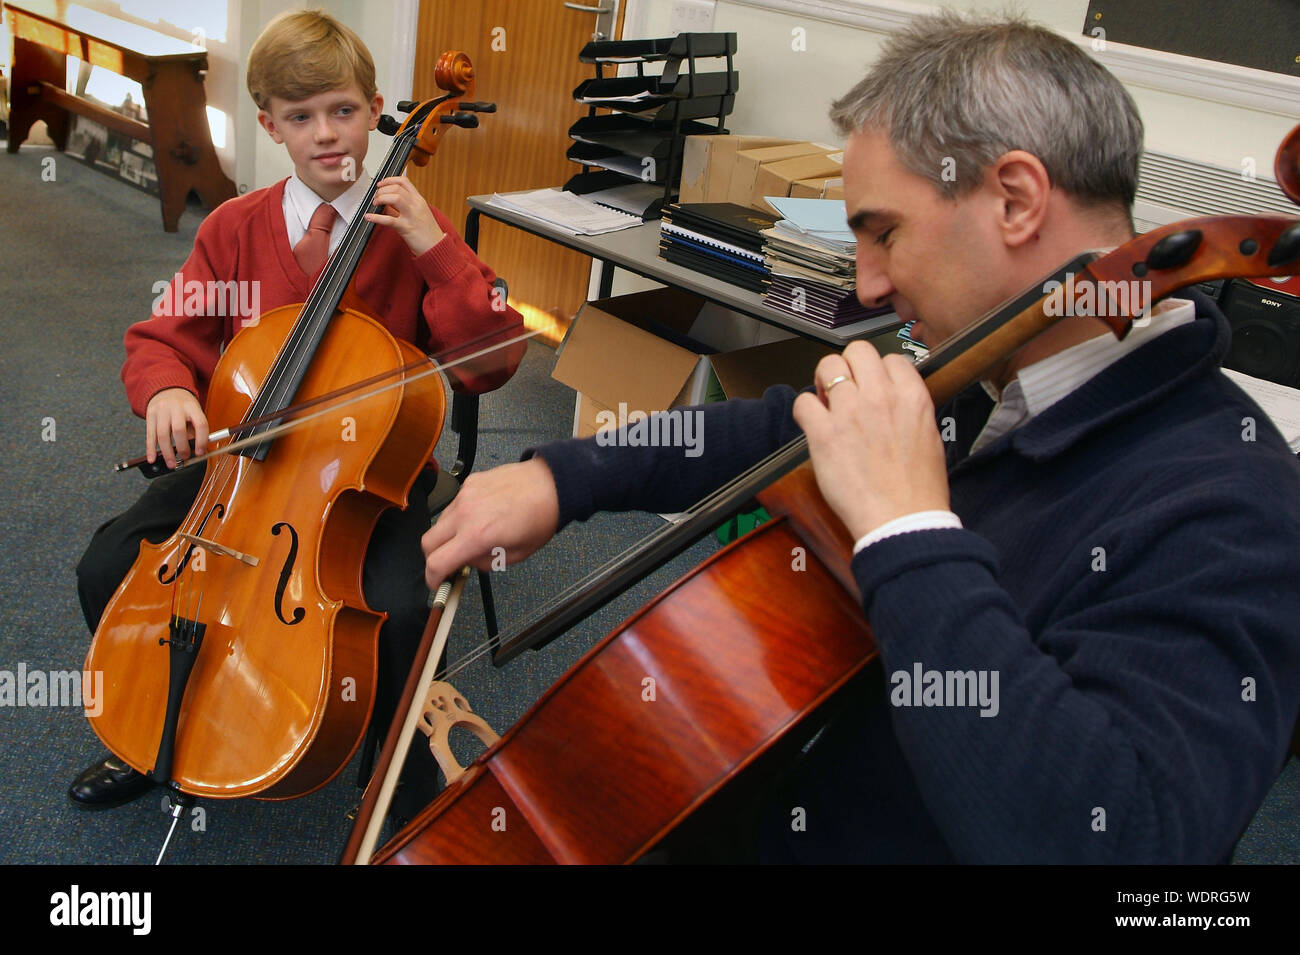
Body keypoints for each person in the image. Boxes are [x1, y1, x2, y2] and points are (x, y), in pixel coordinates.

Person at [420, 13, 1300, 862]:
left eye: (884, 232)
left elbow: (1115, 838)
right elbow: (775, 425)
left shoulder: (1237, 509)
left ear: (1018, 200)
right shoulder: (982, 378)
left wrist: (906, 529)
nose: (869, 288)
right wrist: (563, 478)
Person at [70, 10, 523, 817]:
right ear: (270, 125)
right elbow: (162, 338)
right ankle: (149, 733)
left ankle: (395, 785)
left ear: (377, 108)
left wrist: (436, 248)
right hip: (241, 469)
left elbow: (494, 357)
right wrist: (170, 386)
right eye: (301, 116)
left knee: (400, 609)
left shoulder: (412, 231)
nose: (326, 136)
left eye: (344, 112)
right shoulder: (234, 228)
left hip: (367, 483)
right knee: (109, 563)